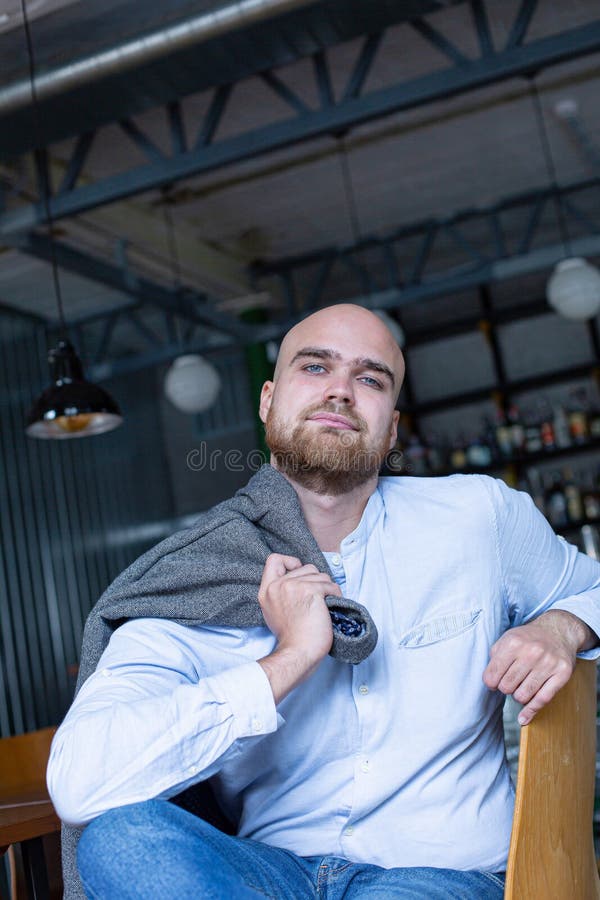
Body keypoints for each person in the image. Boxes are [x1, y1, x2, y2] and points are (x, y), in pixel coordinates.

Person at [48, 304, 600, 900]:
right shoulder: (196, 577)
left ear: (391, 427)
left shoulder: (478, 517)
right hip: (269, 875)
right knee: (121, 839)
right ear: (267, 400)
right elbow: (81, 782)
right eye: (315, 367)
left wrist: (562, 627)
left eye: (370, 379)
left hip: (435, 876)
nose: (340, 391)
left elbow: (591, 589)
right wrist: (291, 657)